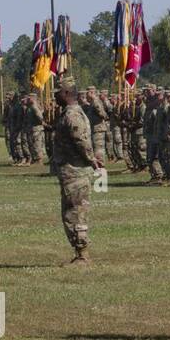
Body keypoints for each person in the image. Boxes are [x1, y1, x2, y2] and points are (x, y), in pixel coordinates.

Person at [52, 78, 102, 266]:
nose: (55, 96)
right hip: (71, 171)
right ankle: (80, 252)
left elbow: (81, 140)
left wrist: (91, 160)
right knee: (71, 212)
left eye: (58, 92)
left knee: (76, 213)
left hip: (76, 171)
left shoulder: (72, 115)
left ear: (66, 93)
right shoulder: (69, 113)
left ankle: (83, 254)